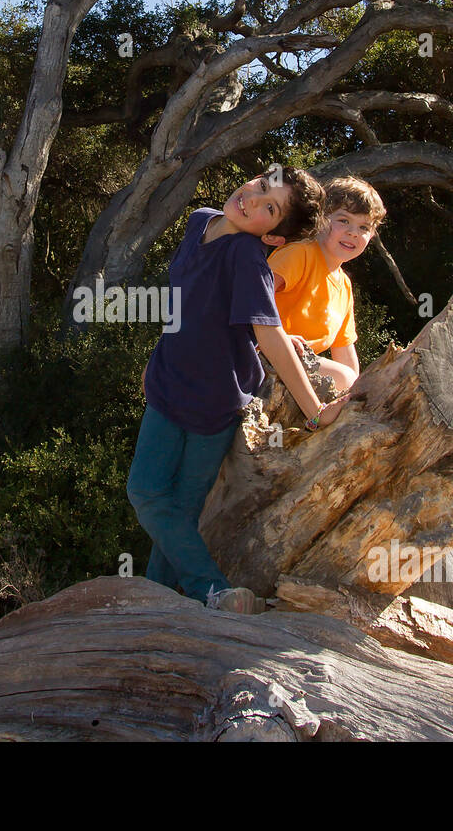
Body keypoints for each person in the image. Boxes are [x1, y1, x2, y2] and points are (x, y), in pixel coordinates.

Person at [127, 168, 348, 615]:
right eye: (262, 185)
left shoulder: (247, 258)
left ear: (275, 238)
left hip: (216, 406)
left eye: (270, 208)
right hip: (169, 389)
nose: (253, 199)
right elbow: (182, 298)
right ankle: (202, 593)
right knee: (148, 495)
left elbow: (270, 336)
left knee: (177, 510)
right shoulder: (199, 221)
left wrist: (315, 411)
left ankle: (164, 607)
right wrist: (160, 351)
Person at [267, 175, 386, 397]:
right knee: (344, 378)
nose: (353, 232)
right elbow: (249, 296)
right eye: (343, 220)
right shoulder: (299, 254)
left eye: (364, 227)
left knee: (353, 381)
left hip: (295, 370)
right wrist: (279, 336)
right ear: (321, 218)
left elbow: (346, 355)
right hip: (259, 354)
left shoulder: (344, 287)